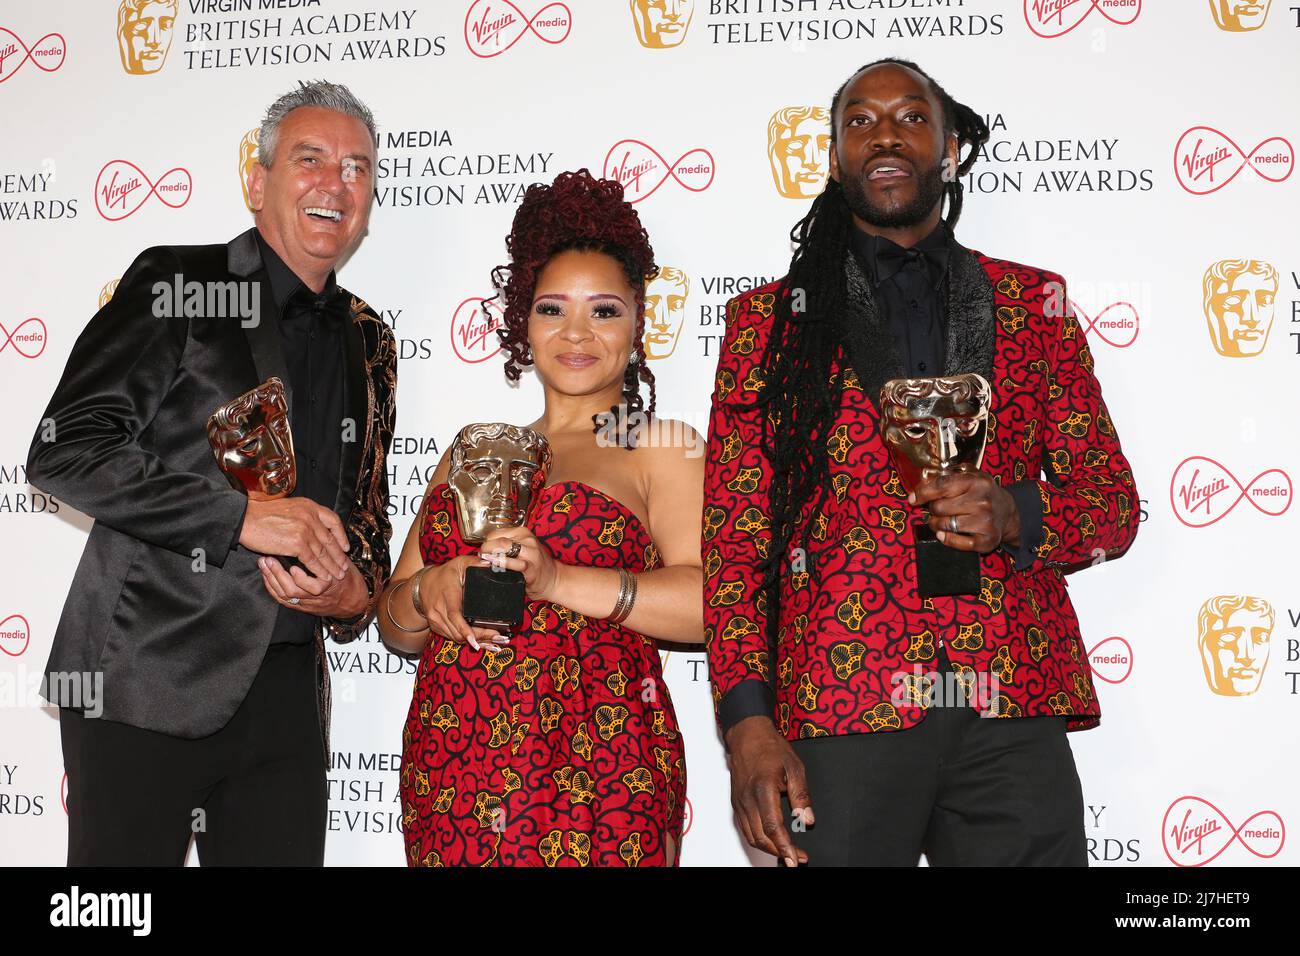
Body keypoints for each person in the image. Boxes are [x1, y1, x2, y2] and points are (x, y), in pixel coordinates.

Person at [702, 59, 1141, 866]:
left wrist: (1018, 512)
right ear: (835, 159)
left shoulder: (1034, 305)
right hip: (841, 702)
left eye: (910, 116)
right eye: (859, 121)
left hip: (1010, 700)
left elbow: (1112, 503)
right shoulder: (769, 324)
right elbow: (735, 540)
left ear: (949, 148)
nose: (885, 135)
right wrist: (747, 722)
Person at [26, 80, 395, 866]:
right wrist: (241, 520)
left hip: (289, 701)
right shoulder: (177, 284)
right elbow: (66, 451)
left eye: (358, 168)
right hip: (142, 678)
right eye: (311, 159)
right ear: (257, 181)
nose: (336, 183)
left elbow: (366, 519)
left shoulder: (370, 339)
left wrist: (352, 590)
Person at [381, 170, 700, 867]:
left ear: (640, 321)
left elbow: (711, 605)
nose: (577, 333)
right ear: (523, 319)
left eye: (605, 311)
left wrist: (556, 580)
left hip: (599, 769)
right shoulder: (473, 447)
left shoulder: (659, 447)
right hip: (454, 768)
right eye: (553, 309)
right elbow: (394, 623)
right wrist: (428, 591)